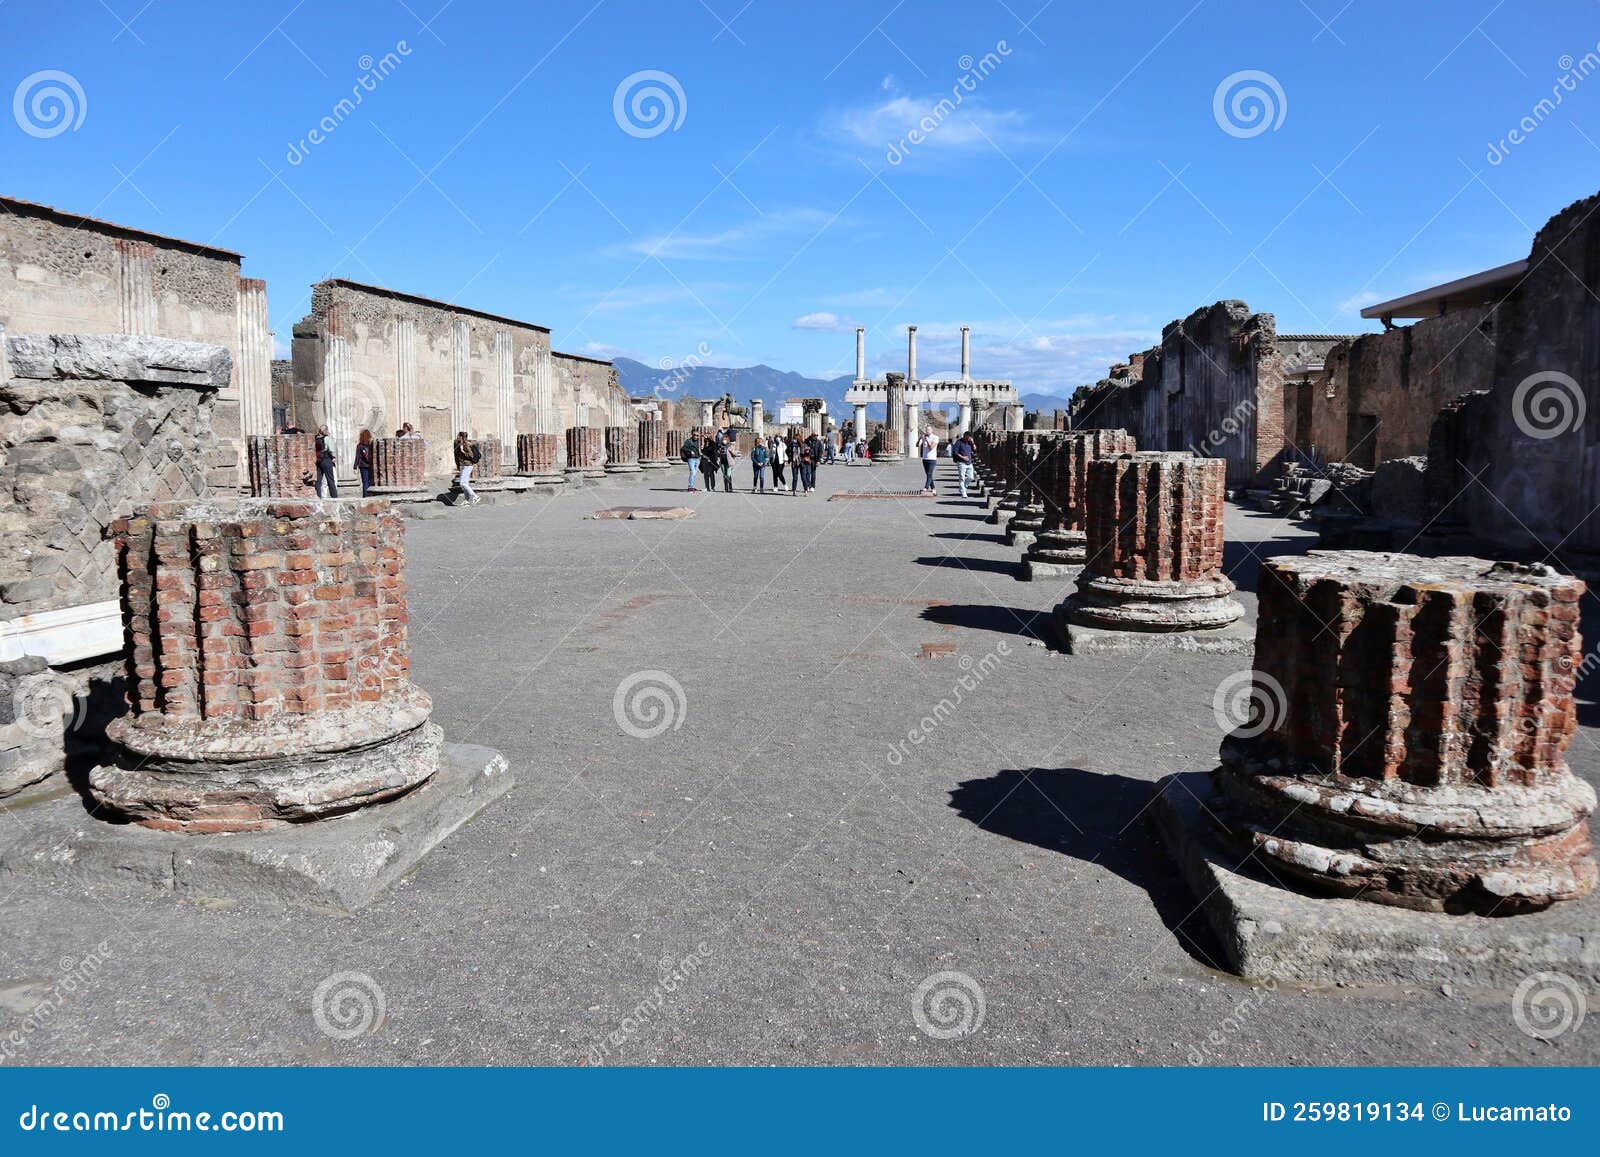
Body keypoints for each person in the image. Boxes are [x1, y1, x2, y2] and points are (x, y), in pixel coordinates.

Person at [453, 431, 481, 506]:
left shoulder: (467, 445)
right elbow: (457, 456)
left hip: (468, 465)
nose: (457, 437)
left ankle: (475, 496)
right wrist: (458, 465)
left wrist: (463, 452)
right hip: (463, 465)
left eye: (458, 436)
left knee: (462, 483)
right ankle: (467, 501)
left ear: (462, 437)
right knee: (465, 483)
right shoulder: (459, 444)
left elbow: (471, 456)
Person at [313, 425, 338, 497]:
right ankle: (334, 498)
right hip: (326, 459)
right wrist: (333, 457)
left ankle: (319, 497)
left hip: (318, 461)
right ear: (326, 430)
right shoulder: (327, 438)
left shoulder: (316, 438)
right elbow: (331, 449)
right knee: (330, 480)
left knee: (318, 481)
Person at [952, 431, 977, 498]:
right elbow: (955, 452)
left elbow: (975, 449)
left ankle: (963, 488)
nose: (970, 439)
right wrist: (963, 457)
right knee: (962, 478)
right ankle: (963, 492)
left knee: (971, 477)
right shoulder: (959, 442)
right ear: (965, 436)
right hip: (961, 462)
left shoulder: (970, 443)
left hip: (969, 462)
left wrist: (973, 442)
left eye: (971, 437)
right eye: (969, 437)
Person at [917, 427, 939, 492]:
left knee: (929, 473)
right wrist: (919, 439)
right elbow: (917, 445)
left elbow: (931, 447)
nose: (927, 431)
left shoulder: (935, 437)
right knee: (929, 474)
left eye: (929, 429)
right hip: (924, 458)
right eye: (926, 430)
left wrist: (927, 439)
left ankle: (926, 487)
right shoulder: (924, 437)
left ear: (932, 430)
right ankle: (933, 488)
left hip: (932, 459)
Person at [355, 428, 374, 496]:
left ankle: (366, 495)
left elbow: (357, 456)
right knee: (369, 481)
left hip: (363, 466)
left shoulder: (360, 445)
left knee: (365, 481)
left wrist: (355, 467)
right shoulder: (371, 445)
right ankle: (369, 494)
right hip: (371, 465)